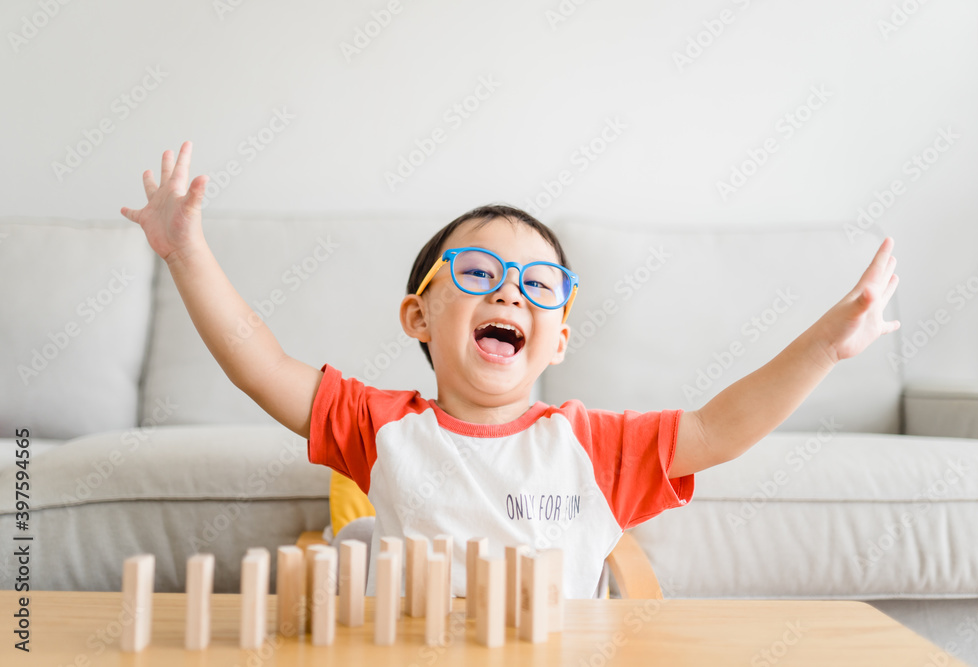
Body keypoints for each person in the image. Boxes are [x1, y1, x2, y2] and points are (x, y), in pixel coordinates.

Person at [121, 141, 900, 598]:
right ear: (418, 318)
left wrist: (823, 347)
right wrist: (188, 253)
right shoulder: (384, 426)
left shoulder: (590, 445)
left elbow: (717, 429)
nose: (508, 290)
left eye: (537, 285)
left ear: (558, 338)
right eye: (479, 272)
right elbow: (262, 366)